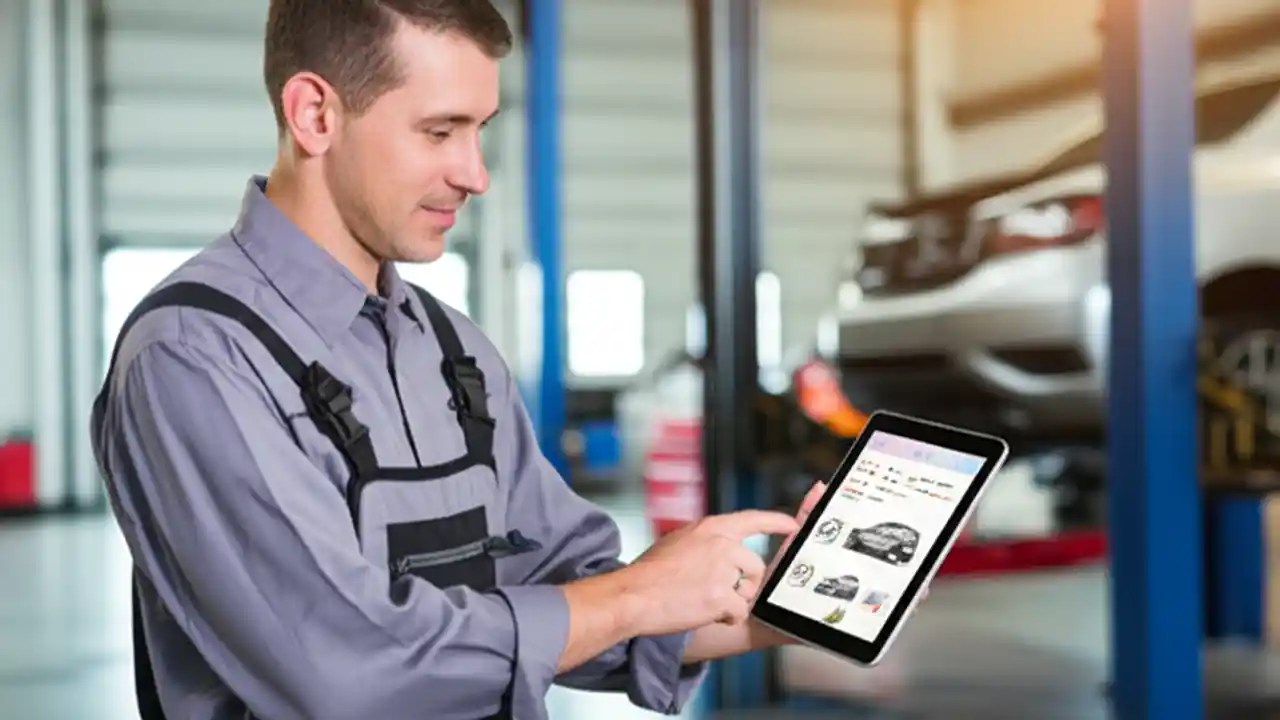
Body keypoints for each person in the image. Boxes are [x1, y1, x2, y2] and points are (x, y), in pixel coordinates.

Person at [90, 2, 827, 718]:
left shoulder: (452, 351)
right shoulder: (193, 355)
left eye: (479, 132)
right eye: (440, 131)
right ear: (315, 114)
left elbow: (575, 602)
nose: (475, 174)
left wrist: (798, 604)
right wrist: (633, 596)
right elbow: (345, 673)